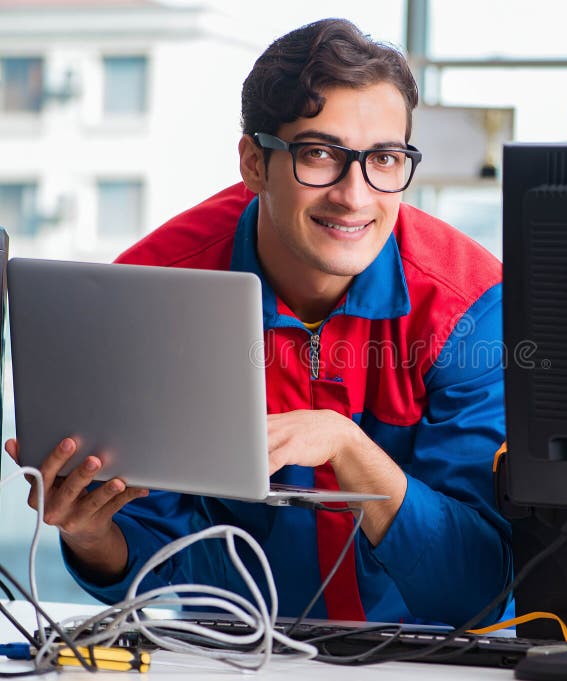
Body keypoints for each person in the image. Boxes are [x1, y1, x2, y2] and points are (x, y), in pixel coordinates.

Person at [6, 17, 511, 627]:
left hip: (427, 658)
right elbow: (147, 553)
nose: (355, 196)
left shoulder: (469, 306)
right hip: (231, 650)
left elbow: (480, 582)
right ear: (253, 162)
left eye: (383, 159)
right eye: (319, 155)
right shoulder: (158, 288)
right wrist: (91, 535)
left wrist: (348, 446)